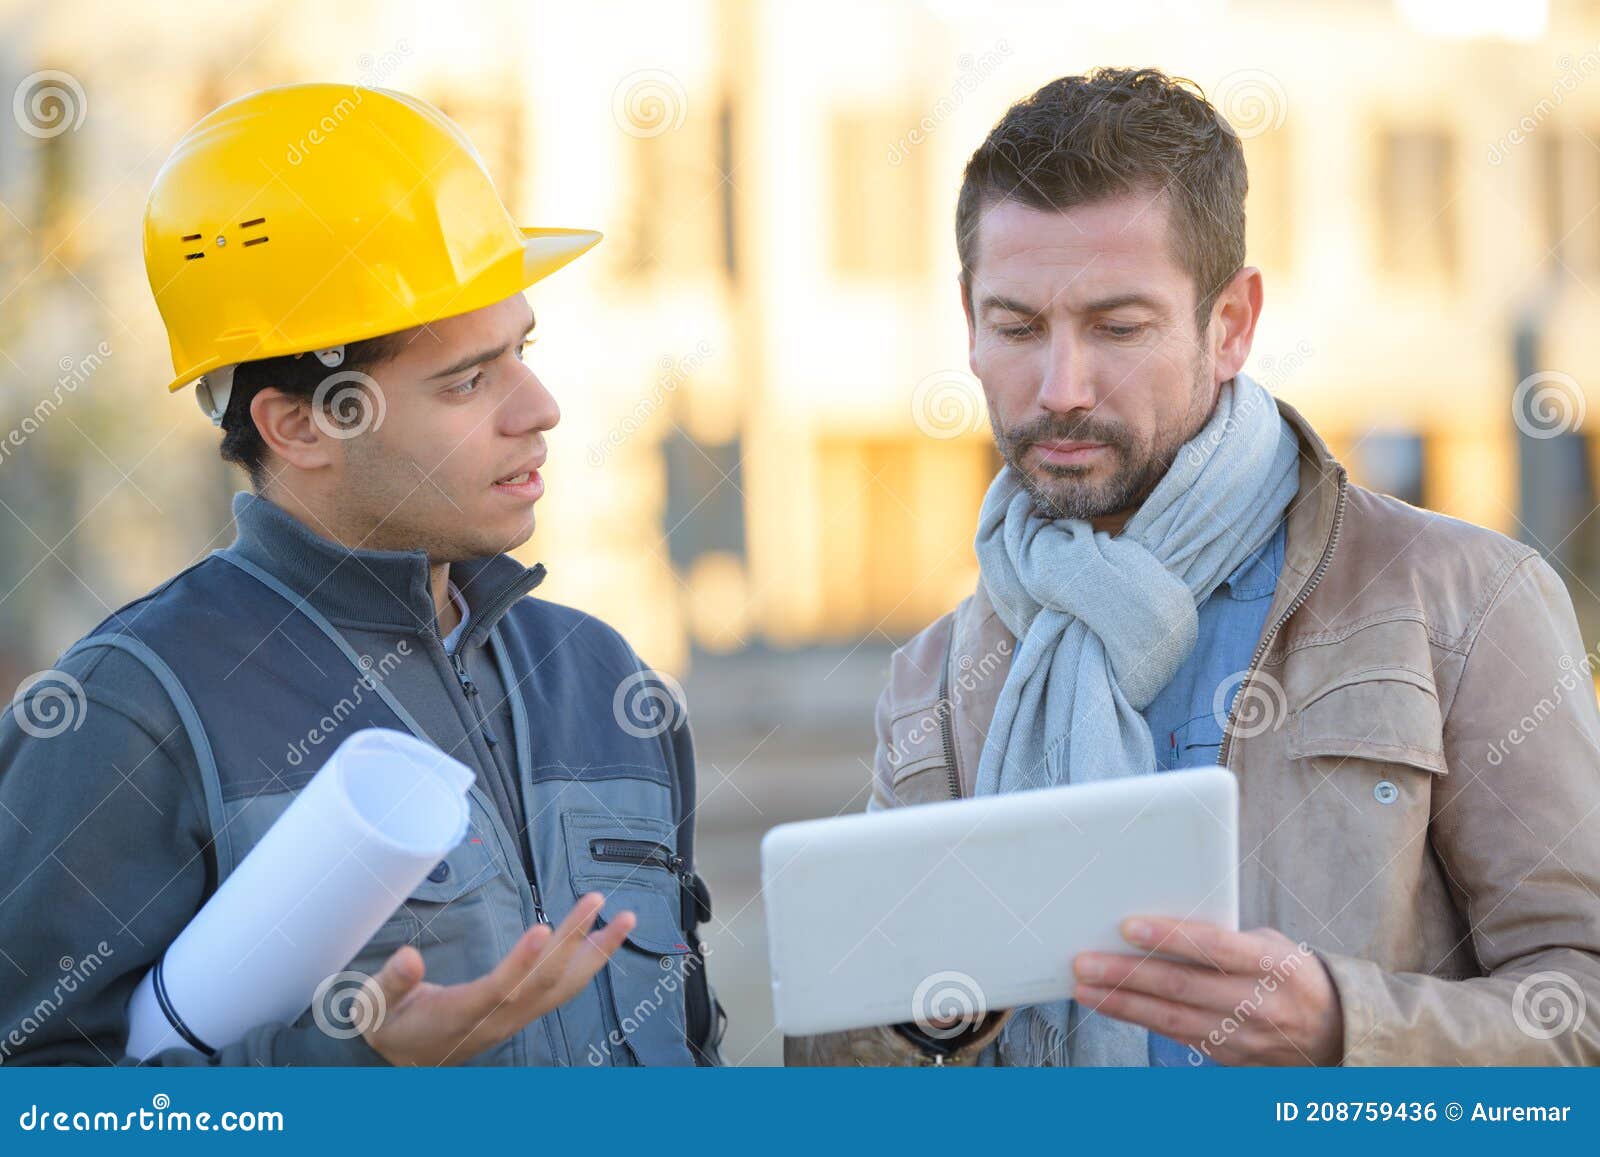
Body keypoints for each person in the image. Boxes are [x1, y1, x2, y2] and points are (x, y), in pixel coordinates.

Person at [787, 67, 1600, 1066]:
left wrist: (1345, 1026)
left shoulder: (1461, 600)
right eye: (1015, 325)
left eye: (1117, 327)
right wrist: (926, 1015)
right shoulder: (934, 675)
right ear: (967, 319)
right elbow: (839, 1066)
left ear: (1232, 325)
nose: (1060, 387)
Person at [0, 83, 722, 1067]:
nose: (539, 406)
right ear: (301, 424)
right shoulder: (127, 712)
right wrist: (353, 1072)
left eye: (522, 350)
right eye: (467, 379)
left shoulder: (604, 679)